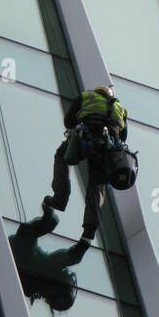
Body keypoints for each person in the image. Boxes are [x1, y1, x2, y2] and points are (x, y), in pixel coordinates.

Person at [42, 85, 129, 248]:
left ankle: (60, 197)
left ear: (97, 92)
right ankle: (89, 230)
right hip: (106, 149)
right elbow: (123, 137)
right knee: (97, 186)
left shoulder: (86, 96)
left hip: (83, 139)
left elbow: (68, 121)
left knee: (62, 157)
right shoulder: (120, 109)